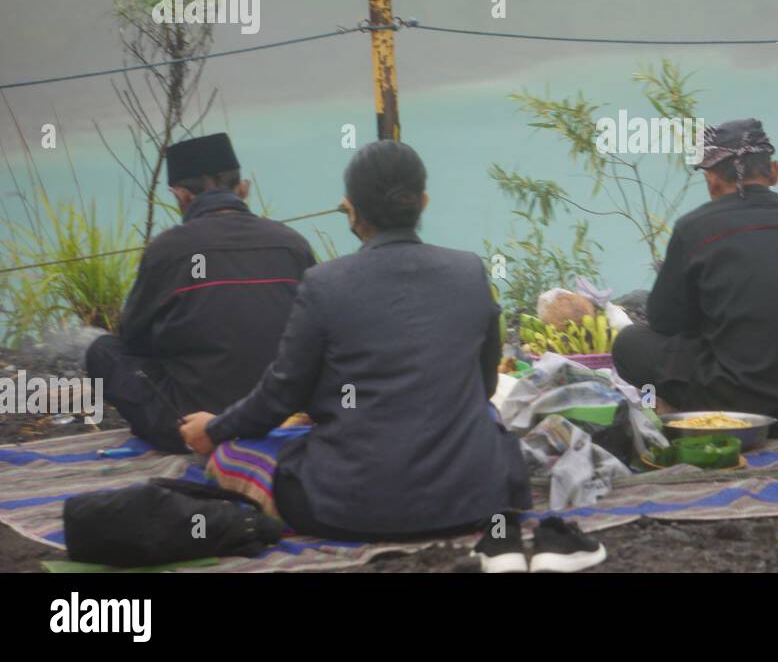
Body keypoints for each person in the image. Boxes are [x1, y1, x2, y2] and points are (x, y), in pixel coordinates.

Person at [179, 141, 580, 571]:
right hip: (476, 500)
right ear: (423, 201)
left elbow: (280, 396)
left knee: (233, 455)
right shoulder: (468, 271)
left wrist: (215, 428)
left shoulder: (324, 284)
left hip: (349, 509)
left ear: (350, 210)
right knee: (486, 426)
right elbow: (482, 388)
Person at [612, 119, 778, 436]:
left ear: (711, 182)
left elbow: (665, 322)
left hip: (744, 404)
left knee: (629, 343)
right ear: (774, 171)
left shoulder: (694, 229)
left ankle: (691, 420)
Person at [86, 133, 315, 453]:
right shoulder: (292, 244)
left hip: (194, 426)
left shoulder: (168, 249)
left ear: (180, 195)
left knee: (102, 351)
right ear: (243, 189)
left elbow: (133, 340)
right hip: (281, 413)